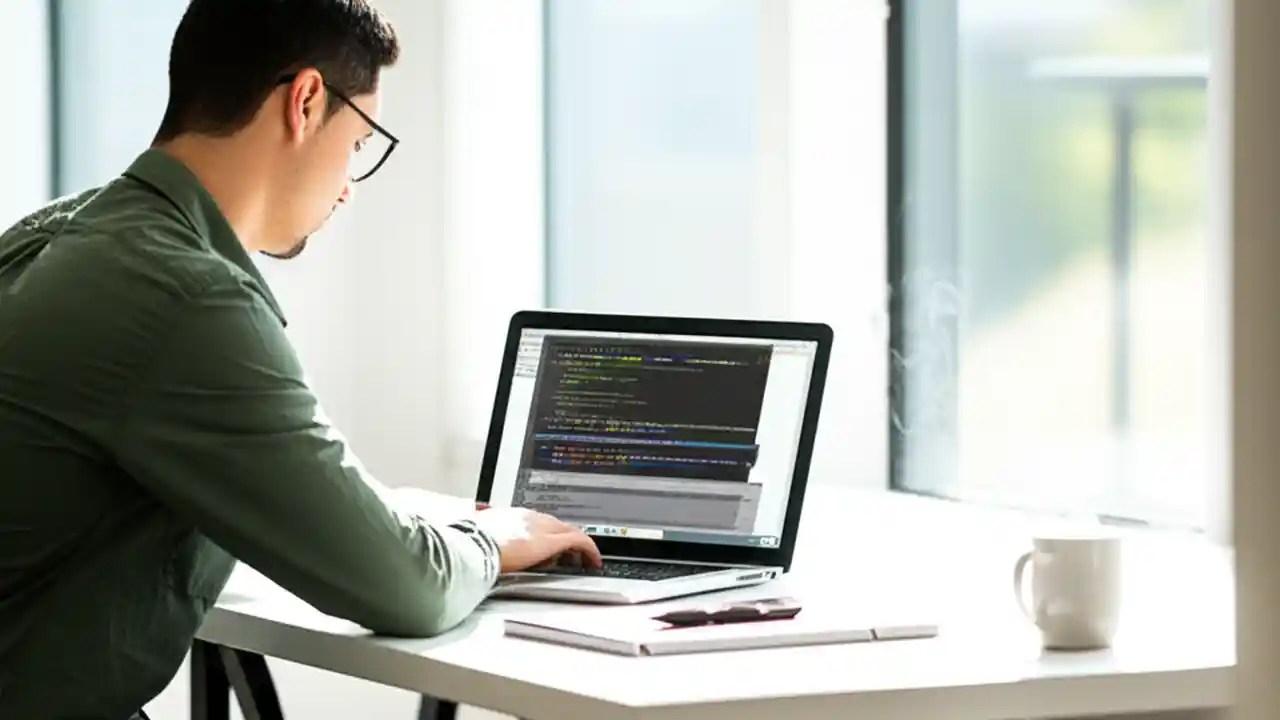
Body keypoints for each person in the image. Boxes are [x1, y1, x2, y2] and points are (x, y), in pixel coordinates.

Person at [0, 1, 601, 717]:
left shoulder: (59, 234)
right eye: (357, 144)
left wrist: (389, 513)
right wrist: (493, 536)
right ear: (306, 101)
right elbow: (403, 586)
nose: (349, 185)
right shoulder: (184, 296)